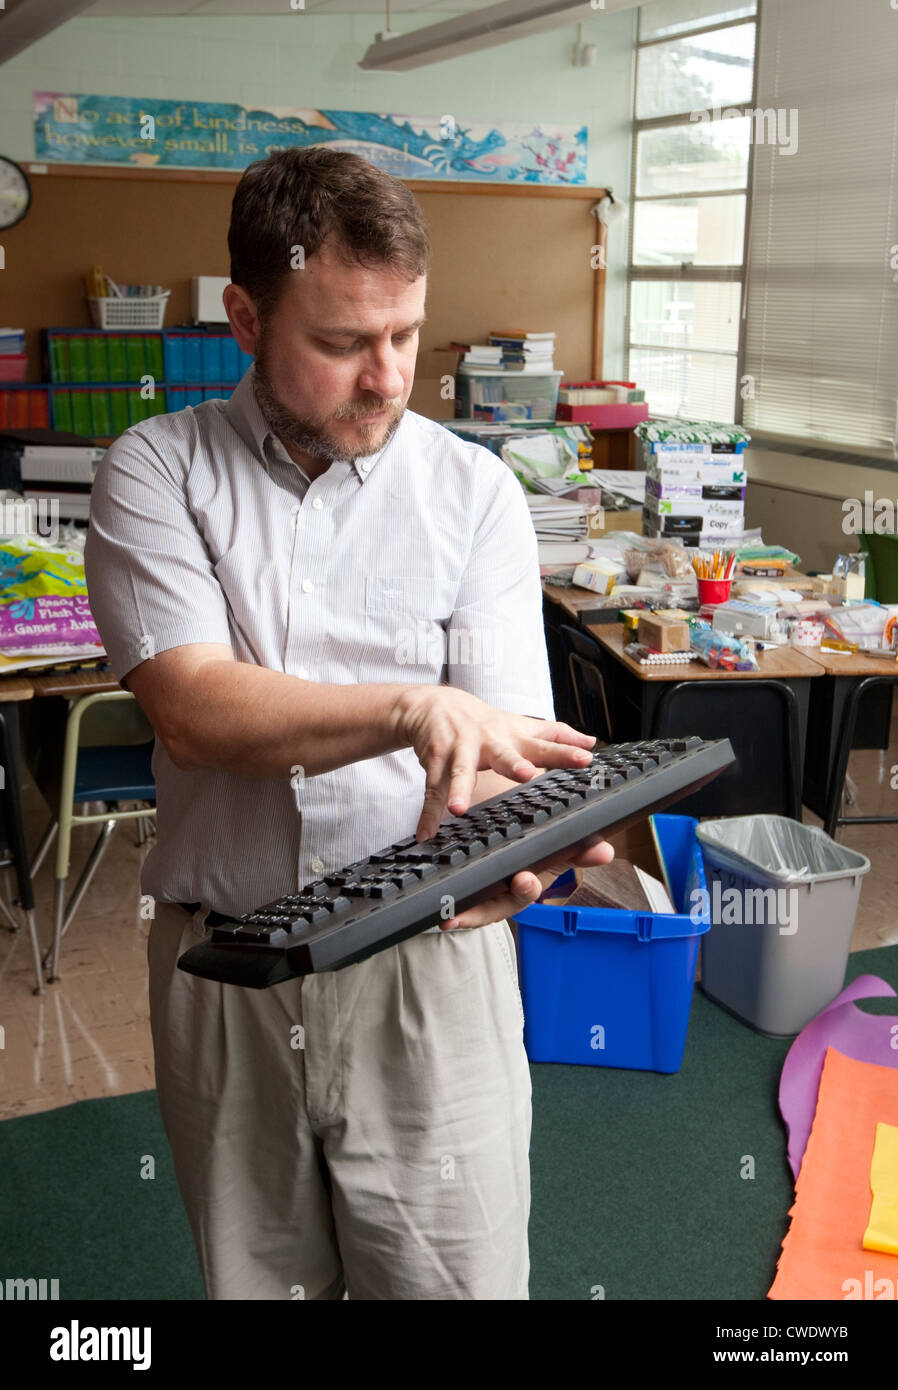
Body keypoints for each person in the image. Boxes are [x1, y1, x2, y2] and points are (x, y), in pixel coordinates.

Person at [84, 146, 613, 1301]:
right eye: (338, 343)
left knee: (453, 1285)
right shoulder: (155, 471)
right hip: (228, 972)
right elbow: (195, 710)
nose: (386, 377)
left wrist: (529, 843)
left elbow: (501, 741)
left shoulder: (474, 493)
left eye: (406, 336)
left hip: (430, 965)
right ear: (244, 316)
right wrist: (412, 706)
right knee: (259, 1287)